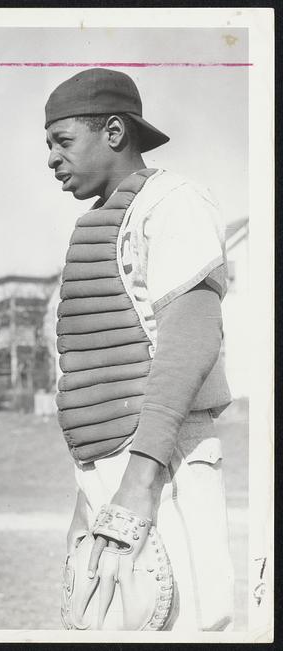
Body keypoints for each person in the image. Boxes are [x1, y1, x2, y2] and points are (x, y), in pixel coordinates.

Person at [44, 68, 234, 630]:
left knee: (175, 625)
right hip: (106, 469)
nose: (51, 160)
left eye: (62, 141)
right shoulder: (101, 219)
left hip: (162, 461)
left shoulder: (173, 201)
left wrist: (140, 478)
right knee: (98, 622)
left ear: (113, 131)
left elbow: (191, 338)